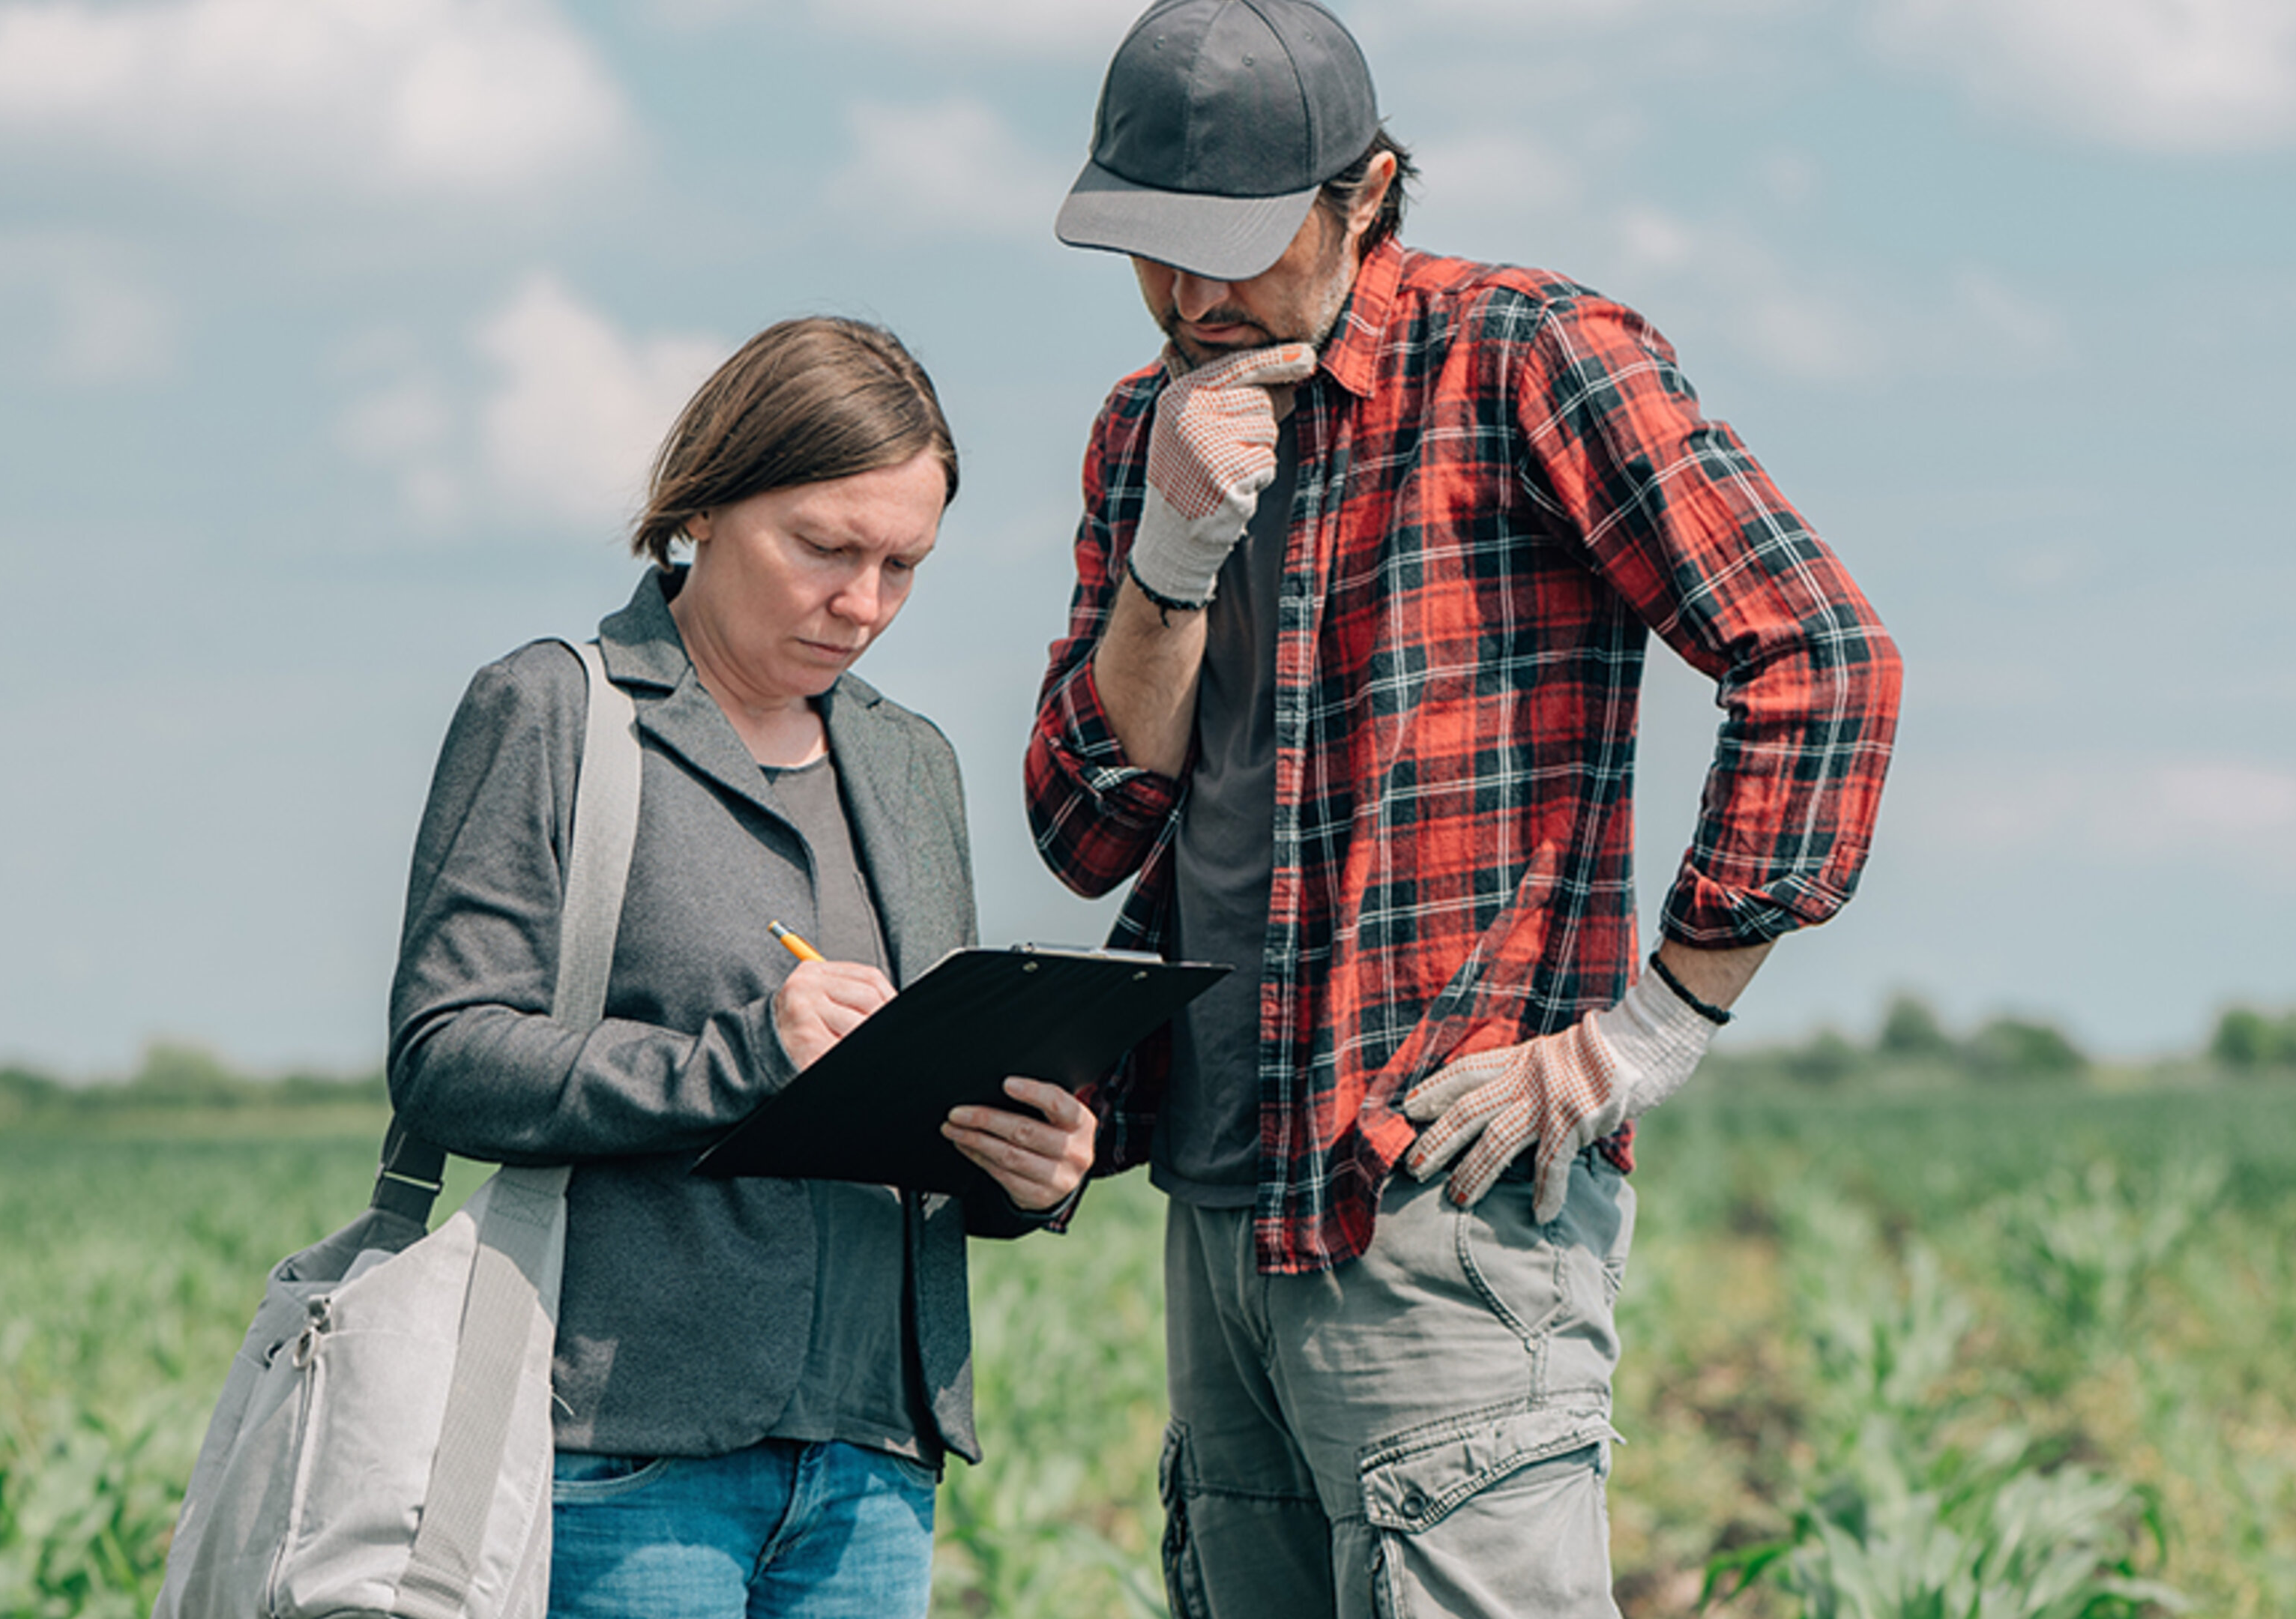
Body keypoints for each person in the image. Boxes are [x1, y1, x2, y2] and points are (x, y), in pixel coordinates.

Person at [1025, 2, 1903, 1613]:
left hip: (1439, 1199)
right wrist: (1171, 553)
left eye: (1234, 247)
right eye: (1153, 254)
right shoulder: (1142, 432)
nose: (1193, 298)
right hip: (1219, 1205)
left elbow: (1818, 660)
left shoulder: (1527, 357)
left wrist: (1643, 1035)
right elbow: (1085, 826)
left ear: (1364, 195)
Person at [388, 315, 1099, 1619]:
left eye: (902, 565)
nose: (863, 603)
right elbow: (448, 1058)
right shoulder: (557, 712)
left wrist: (1027, 1174)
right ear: (703, 504)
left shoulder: (910, 761)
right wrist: (746, 1054)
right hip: (622, 1445)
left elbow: (906, 1097)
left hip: (874, 1458)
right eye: (824, 548)